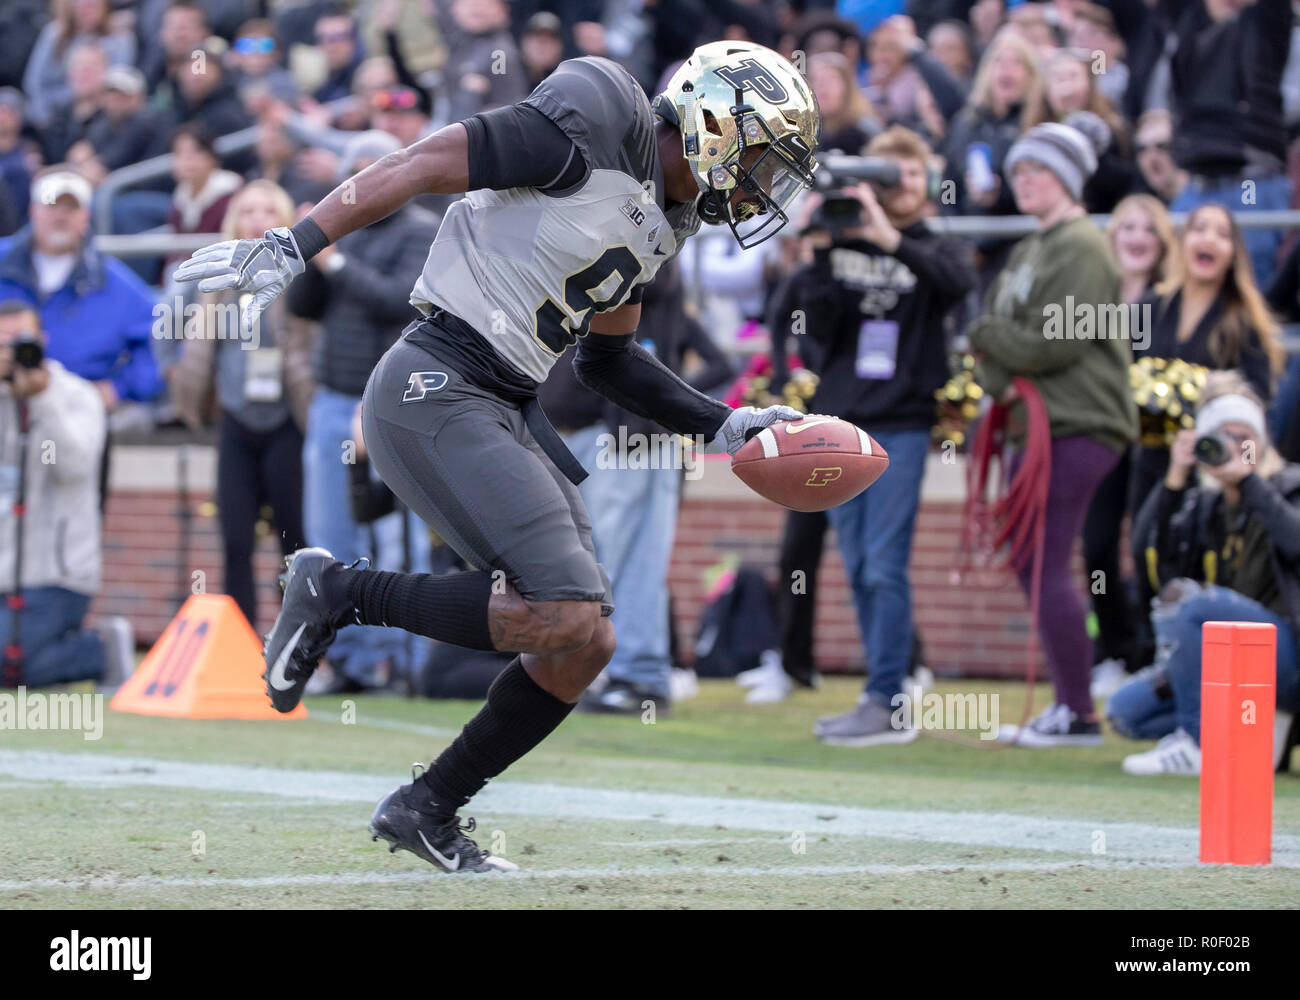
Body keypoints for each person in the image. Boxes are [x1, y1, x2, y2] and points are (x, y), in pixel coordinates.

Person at [176, 41, 819, 872]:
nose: (768, 183)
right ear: (710, 125)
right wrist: (298, 241)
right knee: (562, 611)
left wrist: (728, 427)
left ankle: (427, 807)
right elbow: (424, 159)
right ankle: (335, 590)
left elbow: (607, 362)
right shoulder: (594, 119)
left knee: (584, 643)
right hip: (435, 380)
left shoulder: (666, 217)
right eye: (764, 155)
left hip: (502, 403)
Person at [780, 126, 974, 744]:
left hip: (903, 427)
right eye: (890, 174)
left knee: (886, 566)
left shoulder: (932, 246)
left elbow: (958, 287)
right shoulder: (841, 239)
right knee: (859, 564)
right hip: (839, 425)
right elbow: (810, 328)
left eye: (913, 175)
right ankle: (879, 697)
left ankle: (888, 699)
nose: (903, 185)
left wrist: (889, 240)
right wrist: (817, 248)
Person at [969, 112, 1137, 747]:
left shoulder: (1083, 246)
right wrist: (1000, 369)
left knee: (1043, 561)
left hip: (1078, 422)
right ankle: (1073, 704)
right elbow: (996, 348)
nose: (1025, 179)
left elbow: (1051, 342)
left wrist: (992, 342)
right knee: (1034, 560)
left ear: (1068, 176)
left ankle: (1078, 710)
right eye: (1018, 170)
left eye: (1037, 169)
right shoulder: (1033, 247)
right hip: (1033, 423)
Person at [282, 130, 438, 695]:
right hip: (332, 400)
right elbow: (305, 309)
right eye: (356, 175)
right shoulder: (340, 237)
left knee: (397, 541)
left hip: (392, 403)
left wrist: (337, 262)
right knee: (330, 536)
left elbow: (401, 300)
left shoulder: (420, 229)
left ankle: (401, 659)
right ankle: (346, 660)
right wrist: (309, 258)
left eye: (377, 172)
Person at [1112, 373, 1300, 775]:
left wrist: (1248, 480)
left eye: (1243, 437)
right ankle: (1256, 733)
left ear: (1262, 440)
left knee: (1188, 601)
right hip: (1228, 664)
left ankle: (1200, 743)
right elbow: (1149, 559)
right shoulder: (1204, 507)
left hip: (1287, 653)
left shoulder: (1290, 485)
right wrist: (1175, 477)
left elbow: (1295, 542)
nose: (1233, 447)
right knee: (1127, 711)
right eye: (1222, 438)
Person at [170, 181, 314, 632]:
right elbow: (189, 344)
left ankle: (296, 640)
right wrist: (185, 393)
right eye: (247, 210)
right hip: (235, 419)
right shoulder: (215, 281)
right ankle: (241, 640)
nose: (257, 218)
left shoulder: (301, 274)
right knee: (234, 539)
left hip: (289, 421)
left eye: (268, 209)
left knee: (294, 540)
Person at [0, 299, 130, 689]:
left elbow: (72, 467)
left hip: (57, 575)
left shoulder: (75, 396)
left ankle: (102, 648)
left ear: (43, 340)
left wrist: (41, 400)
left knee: (15, 669)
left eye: (19, 341)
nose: (12, 352)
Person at [1086, 193, 1178, 700]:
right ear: (1113, 238)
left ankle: (1148, 652)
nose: (1139, 238)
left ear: (1163, 243)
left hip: (1155, 448)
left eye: (1149, 230)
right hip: (1102, 440)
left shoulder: (1172, 301)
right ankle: (1113, 649)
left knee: (1147, 549)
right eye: (1128, 228)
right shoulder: (1092, 298)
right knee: (1097, 546)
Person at [0, 167, 162, 413]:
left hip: (76, 414)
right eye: (51, 205)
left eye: (71, 208)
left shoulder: (113, 282)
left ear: (86, 216)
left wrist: (120, 387)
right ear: (33, 210)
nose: (60, 215)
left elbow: (161, 336)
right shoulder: (4, 261)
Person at [1130, 109, 1186, 206]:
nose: (1151, 157)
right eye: (1142, 149)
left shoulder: (1208, 203)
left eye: (1161, 146)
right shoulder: (1136, 207)